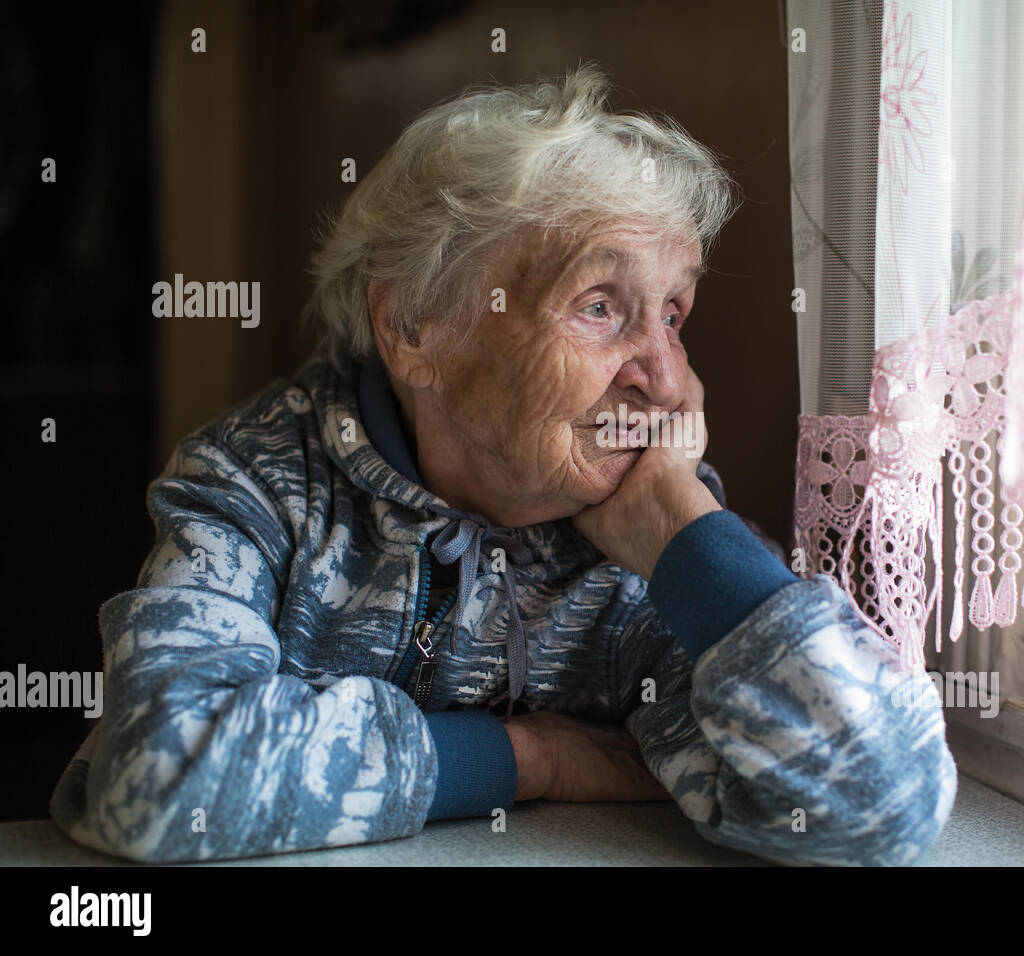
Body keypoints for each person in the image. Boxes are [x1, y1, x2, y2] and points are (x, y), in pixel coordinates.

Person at [49, 63, 956, 865]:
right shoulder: (257, 485)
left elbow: (886, 805)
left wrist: (695, 541)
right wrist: (527, 759)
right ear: (414, 327)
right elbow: (157, 772)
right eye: (600, 307)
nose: (670, 383)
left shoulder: (649, 539)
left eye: (673, 315)